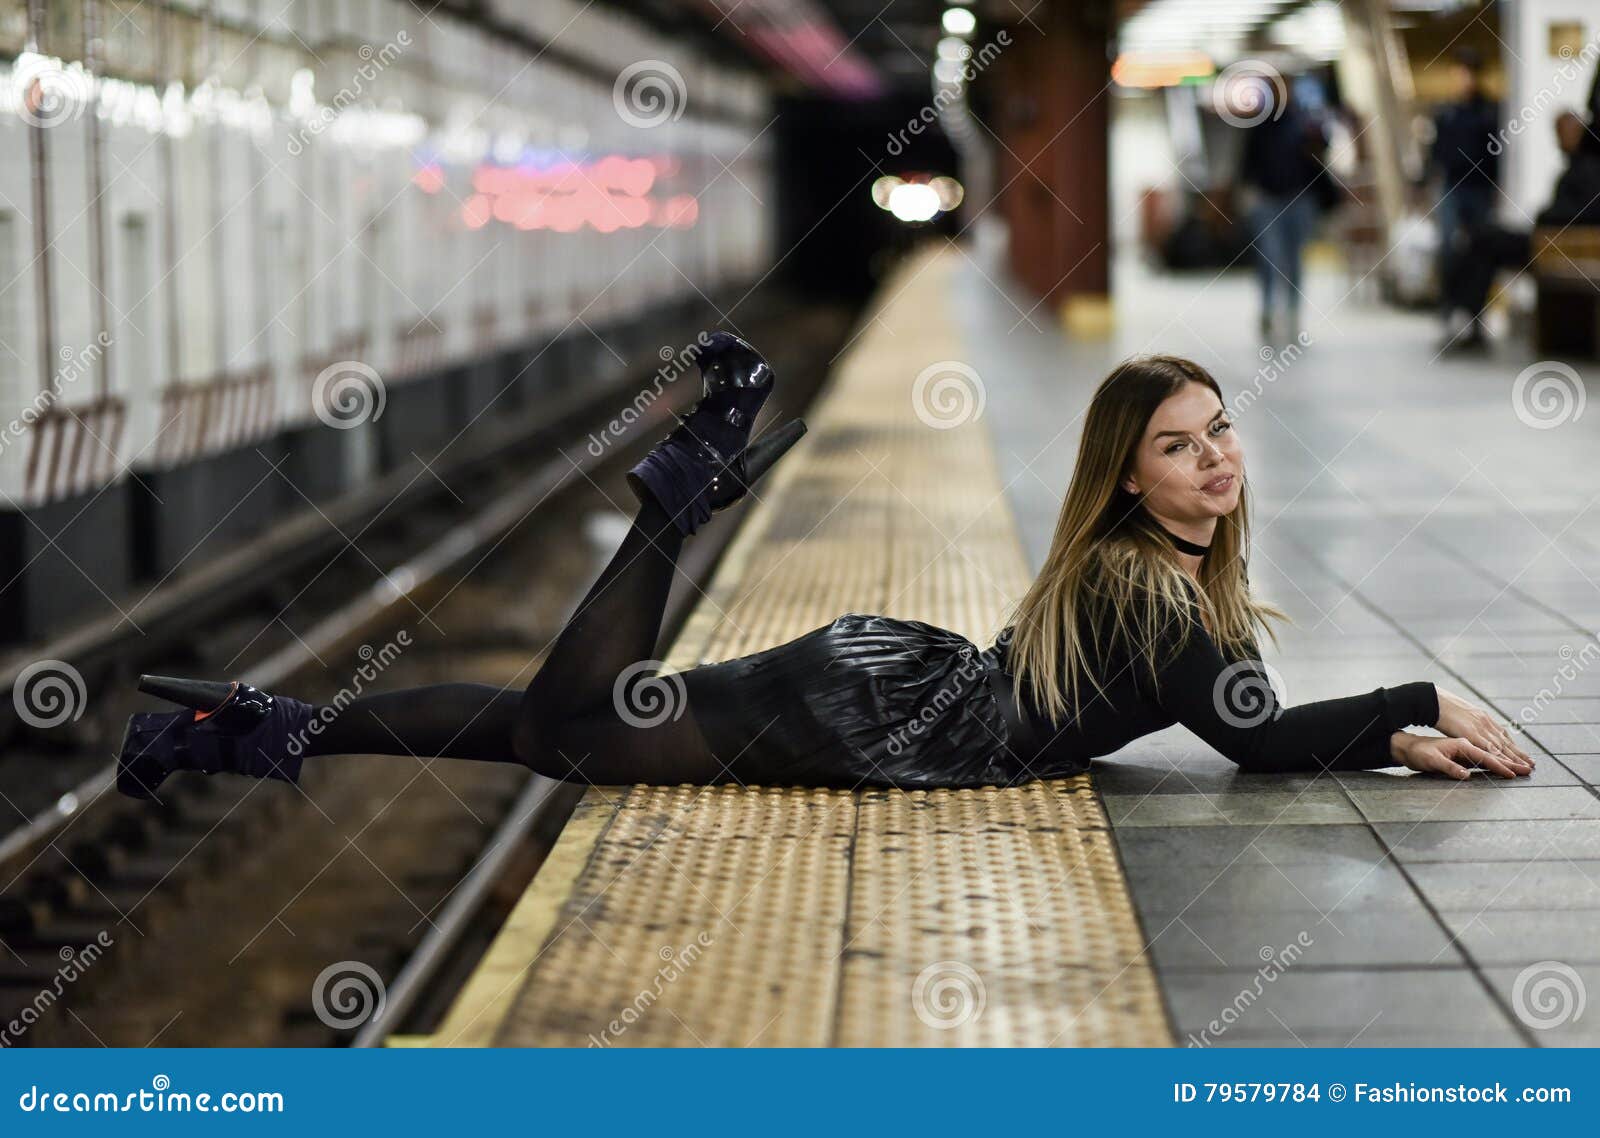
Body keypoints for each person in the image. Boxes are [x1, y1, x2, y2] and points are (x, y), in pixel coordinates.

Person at [116, 345, 1534, 798]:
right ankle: (673, 500)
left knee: (565, 723)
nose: (1217, 462)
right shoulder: (1160, 599)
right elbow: (1261, 743)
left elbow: (1251, 724)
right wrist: (1414, 707)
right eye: (1179, 447)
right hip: (888, 714)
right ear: (1129, 477)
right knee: (570, 732)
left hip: (889, 679)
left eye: (1221, 434)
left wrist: (1394, 724)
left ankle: (230, 726)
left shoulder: (1132, 570)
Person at [1439, 109, 1600, 350]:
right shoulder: (1576, 165)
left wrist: (1546, 216)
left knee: (1485, 240)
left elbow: (1586, 212)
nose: (1560, 139)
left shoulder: (1589, 166)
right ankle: (1464, 314)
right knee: (1481, 241)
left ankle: (1463, 315)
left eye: (1565, 132)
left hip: (1555, 246)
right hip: (1548, 241)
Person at [1238, 81, 1331, 343]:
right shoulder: (1259, 126)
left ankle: (1292, 311)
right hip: (1267, 201)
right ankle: (1268, 309)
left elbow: (1321, 151)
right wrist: (1246, 192)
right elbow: (1246, 162)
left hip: (1299, 200)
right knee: (1269, 257)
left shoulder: (1303, 122)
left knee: (1294, 258)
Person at [1426, 48, 1501, 322]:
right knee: (1447, 247)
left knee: (1480, 250)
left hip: (1479, 188)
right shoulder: (1447, 113)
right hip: (1452, 187)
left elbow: (1496, 154)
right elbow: (1436, 152)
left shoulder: (1489, 112)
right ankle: (1447, 304)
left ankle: (1476, 313)